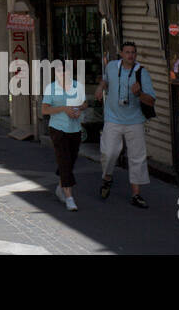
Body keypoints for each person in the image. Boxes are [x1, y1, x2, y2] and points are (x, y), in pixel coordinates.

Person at [96, 41, 156, 208]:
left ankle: (136, 194)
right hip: (113, 118)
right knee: (109, 152)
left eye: (133, 52)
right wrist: (100, 88)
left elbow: (151, 100)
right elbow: (106, 80)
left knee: (137, 157)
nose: (130, 55)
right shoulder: (112, 67)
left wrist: (139, 93)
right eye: (127, 52)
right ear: (121, 53)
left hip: (134, 120)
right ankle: (107, 177)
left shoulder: (141, 73)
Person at [41, 61, 85, 211]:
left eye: (65, 71)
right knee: (64, 161)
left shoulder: (77, 86)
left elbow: (84, 103)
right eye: (60, 71)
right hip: (58, 129)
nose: (63, 74)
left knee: (70, 162)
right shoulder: (51, 88)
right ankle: (69, 197)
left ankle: (61, 185)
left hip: (75, 128)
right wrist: (63, 109)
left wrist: (79, 108)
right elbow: (45, 110)